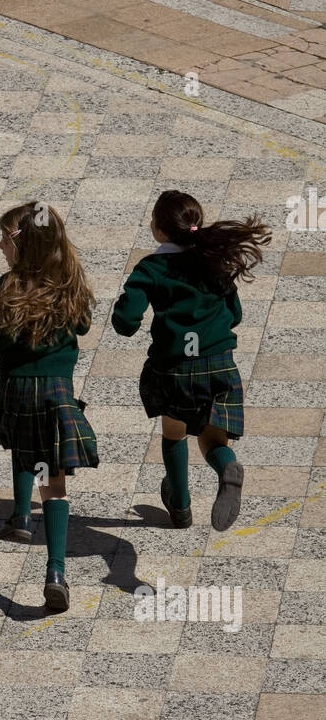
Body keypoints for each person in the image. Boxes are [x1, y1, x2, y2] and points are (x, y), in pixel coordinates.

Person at [112, 188, 271, 532]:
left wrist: (126, 320)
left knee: (174, 431)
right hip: (219, 365)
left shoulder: (151, 268)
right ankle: (227, 467)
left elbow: (126, 320)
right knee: (213, 439)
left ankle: (181, 506)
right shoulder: (215, 262)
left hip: (173, 370)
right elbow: (235, 314)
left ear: (157, 228)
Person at [0, 202, 97, 613]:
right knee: (56, 485)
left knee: (23, 448)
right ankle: (56, 572)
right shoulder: (70, 283)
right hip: (56, 393)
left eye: (5, 239)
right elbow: (82, 325)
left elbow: (4, 336)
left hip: (18, 390)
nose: (0, 246)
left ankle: (21, 516)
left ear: (23, 246)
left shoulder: (10, 284)